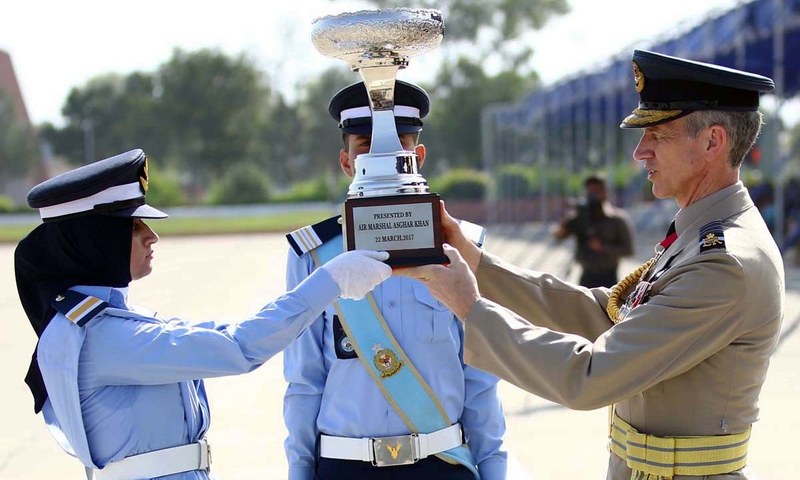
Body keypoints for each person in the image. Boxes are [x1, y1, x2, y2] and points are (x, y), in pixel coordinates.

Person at [400, 50, 784, 479]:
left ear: (713, 141)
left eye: (658, 134)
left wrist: (471, 308)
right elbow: (609, 315)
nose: (640, 152)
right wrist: (477, 265)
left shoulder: (724, 263)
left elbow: (591, 375)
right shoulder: (701, 234)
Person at [14, 149, 392, 480]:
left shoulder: (116, 324)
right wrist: (329, 280)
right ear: (93, 241)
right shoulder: (101, 338)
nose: (151, 236)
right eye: (133, 226)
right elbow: (239, 347)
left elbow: (230, 333)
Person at [282, 80, 507, 480]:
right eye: (366, 146)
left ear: (418, 156)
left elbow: (480, 377)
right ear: (346, 162)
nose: (383, 158)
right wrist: (299, 471)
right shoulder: (315, 255)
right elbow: (304, 379)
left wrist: (493, 469)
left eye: (399, 144)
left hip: (440, 463)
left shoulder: (460, 246)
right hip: (345, 465)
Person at [553, 173, 635, 287]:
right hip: (586, 277)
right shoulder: (579, 217)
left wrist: (602, 247)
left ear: (605, 192)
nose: (594, 195)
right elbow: (558, 236)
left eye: (598, 191)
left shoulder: (617, 219)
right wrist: (564, 222)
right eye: (591, 191)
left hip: (609, 277)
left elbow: (628, 250)